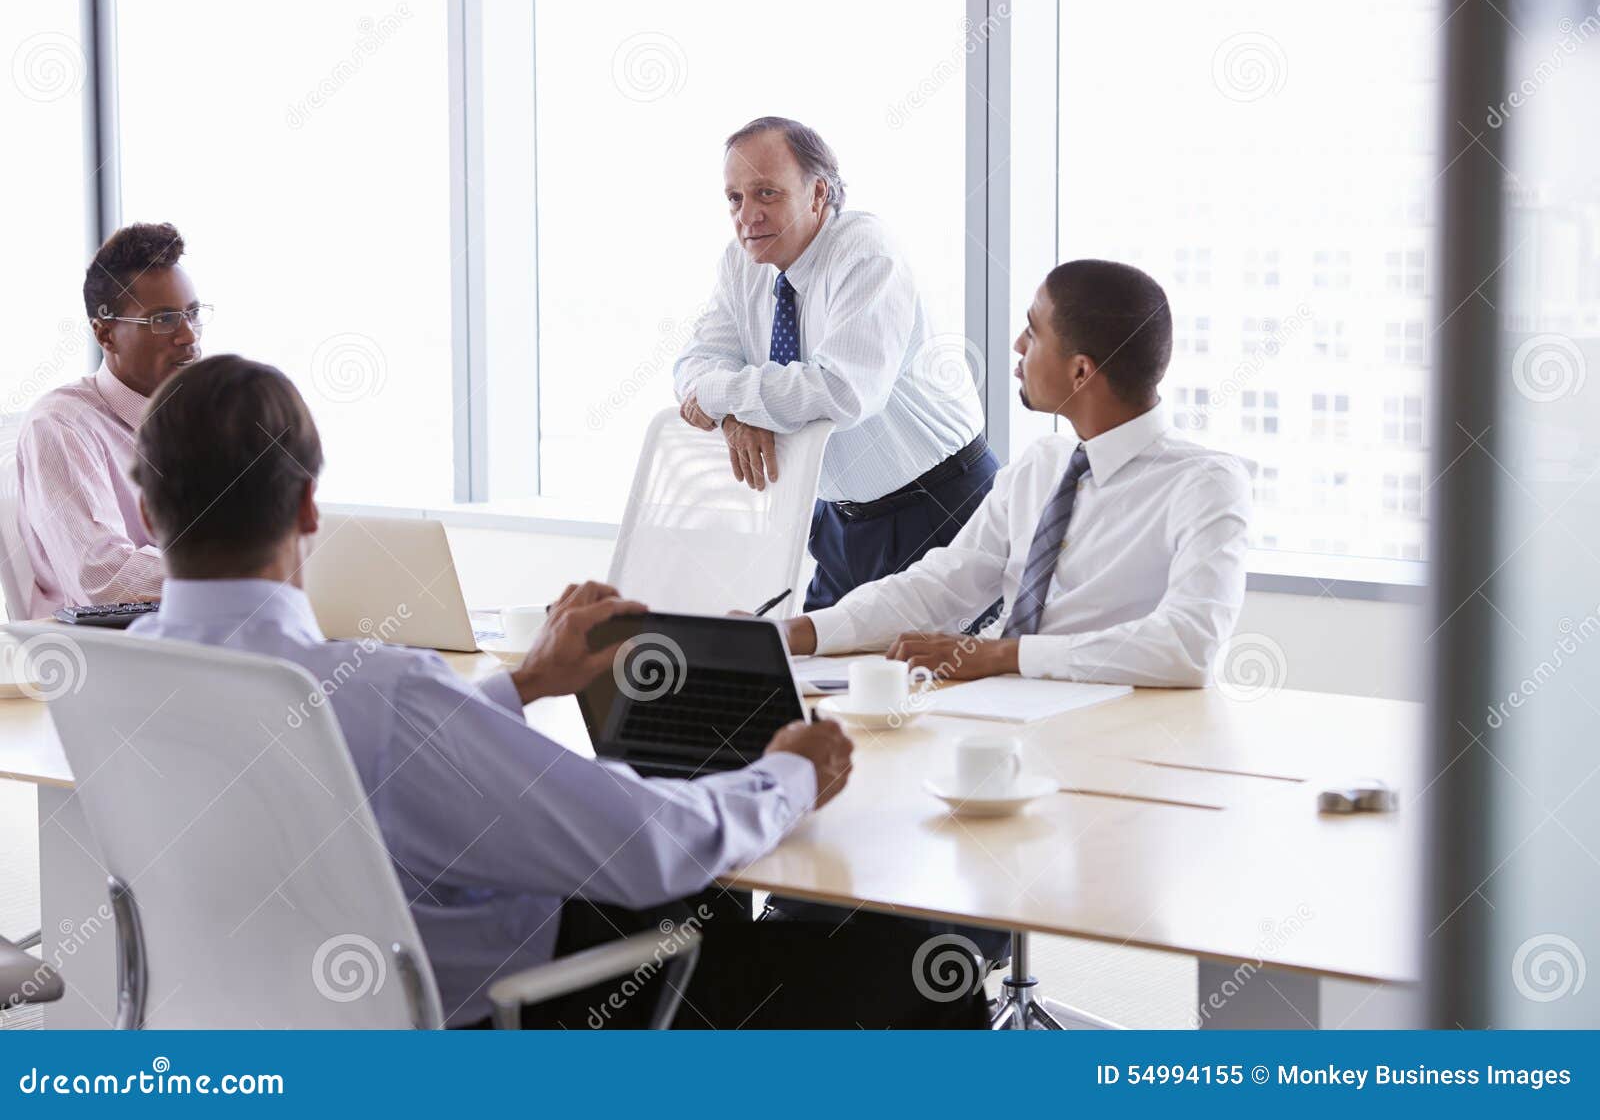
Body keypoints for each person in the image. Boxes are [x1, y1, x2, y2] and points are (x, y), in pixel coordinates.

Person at [127, 354, 987, 1029]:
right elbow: (653, 844)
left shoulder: (132, 670)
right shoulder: (379, 695)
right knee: (926, 962)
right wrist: (791, 773)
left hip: (262, 1028)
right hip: (505, 1017)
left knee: (704, 908)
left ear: (149, 509)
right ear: (310, 507)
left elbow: (373, 761)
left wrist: (527, 683)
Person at [782, 259, 1253, 688]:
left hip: (1112, 723)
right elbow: (941, 585)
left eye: (1033, 332)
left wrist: (1006, 655)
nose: (1018, 346)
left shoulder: (1205, 484)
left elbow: (1189, 645)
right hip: (1001, 710)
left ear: (1081, 372)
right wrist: (794, 632)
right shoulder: (1040, 464)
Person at [674, 116, 997, 610]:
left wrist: (720, 396)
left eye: (766, 193)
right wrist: (735, 416)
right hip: (839, 521)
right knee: (811, 677)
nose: (747, 216)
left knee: (939, 683)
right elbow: (694, 363)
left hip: (939, 507)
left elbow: (842, 392)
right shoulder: (741, 263)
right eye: (734, 198)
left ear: (818, 194)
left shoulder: (865, 251)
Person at [14, 221, 206, 616]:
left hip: (199, 636)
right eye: (164, 320)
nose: (189, 336)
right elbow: (104, 580)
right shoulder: (60, 425)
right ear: (105, 335)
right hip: (107, 660)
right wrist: (237, 575)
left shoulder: (199, 418)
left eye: (193, 313)